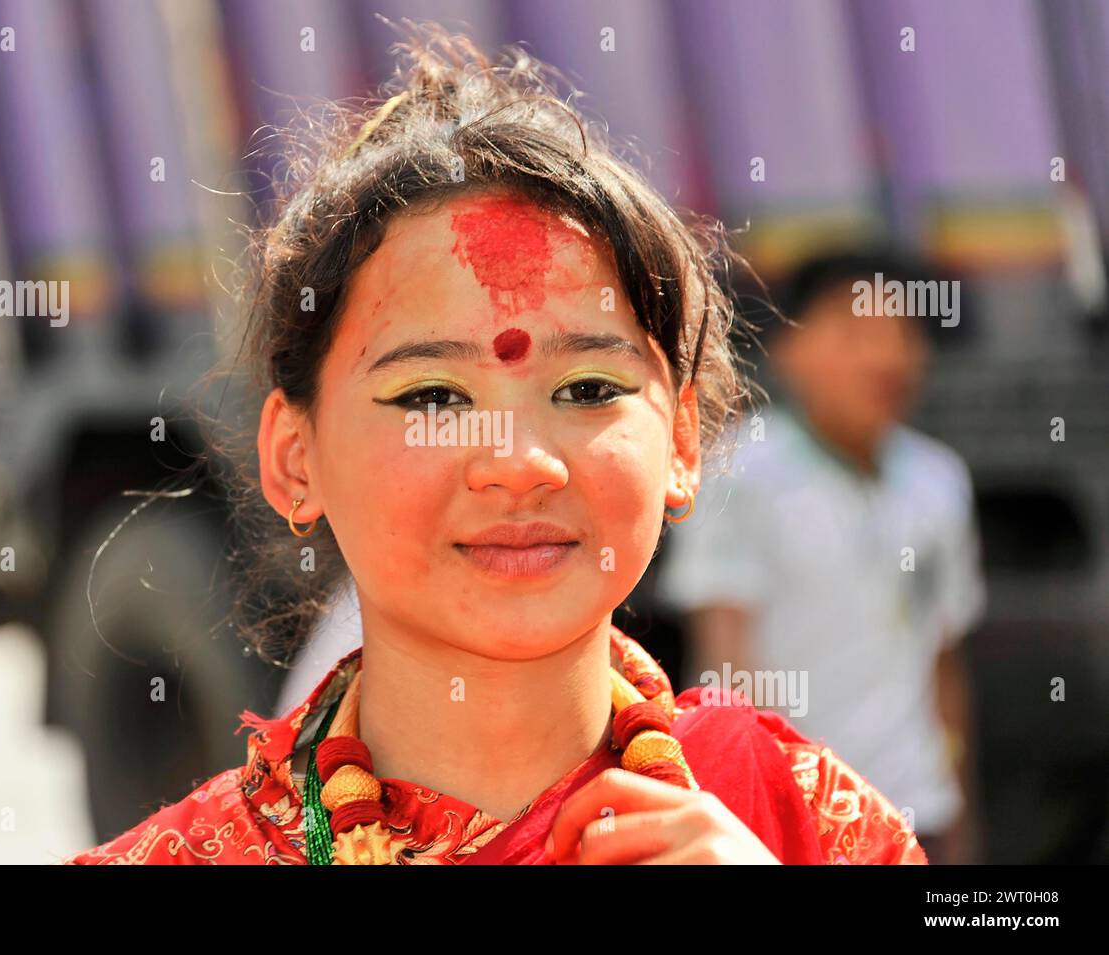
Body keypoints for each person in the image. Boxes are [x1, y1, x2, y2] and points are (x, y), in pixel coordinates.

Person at [66, 26, 926, 865]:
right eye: (434, 396)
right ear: (296, 458)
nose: (519, 462)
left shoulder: (820, 830)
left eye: (588, 390)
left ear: (683, 442)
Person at [658, 249, 986, 864]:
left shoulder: (939, 480)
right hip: (798, 816)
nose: (887, 355)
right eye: (857, 331)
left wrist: (961, 814)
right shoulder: (741, 472)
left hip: (918, 809)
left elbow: (945, 663)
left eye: (904, 331)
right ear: (789, 348)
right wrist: (753, 811)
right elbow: (726, 657)